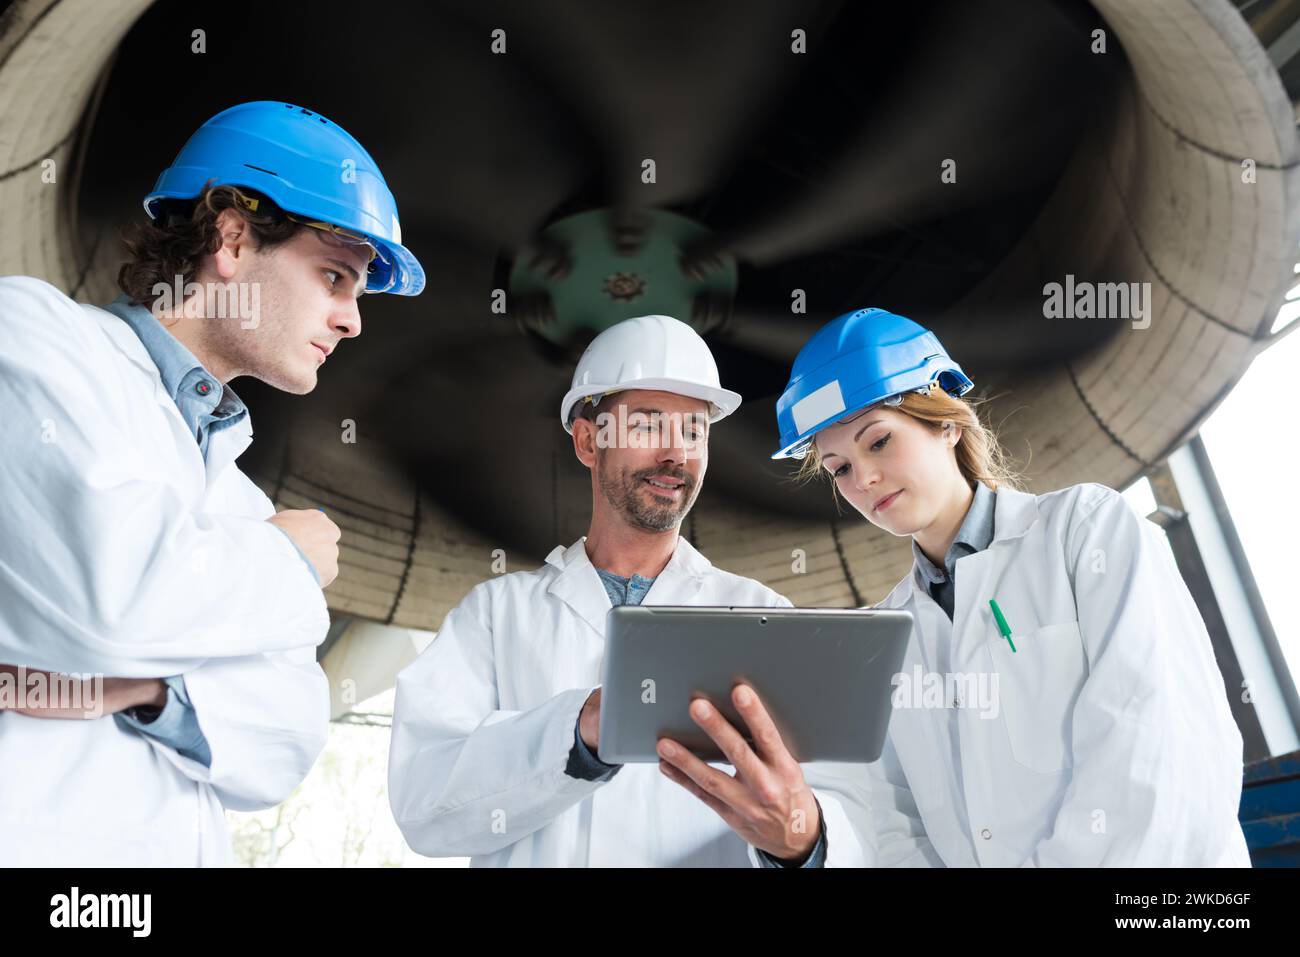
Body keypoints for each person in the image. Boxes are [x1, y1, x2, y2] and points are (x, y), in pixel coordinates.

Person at [0, 100, 425, 865]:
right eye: (335, 276)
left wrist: (146, 691)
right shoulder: (33, 338)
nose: (353, 320)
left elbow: (286, 740)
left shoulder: (245, 508)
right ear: (231, 238)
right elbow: (112, 601)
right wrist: (285, 563)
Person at [762, 305, 1251, 866]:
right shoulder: (881, 640)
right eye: (839, 468)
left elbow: (1155, 745)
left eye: (878, 442)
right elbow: (891, 824)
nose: (864, 479)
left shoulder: (1087, 531)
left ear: (945, 421)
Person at [389, 315, 872, 866]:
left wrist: (803, 843)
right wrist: (580, 732)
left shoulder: (764, 615)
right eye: (647, 426)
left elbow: (851, 811)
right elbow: (423, 807)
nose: (676, 454)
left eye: (694, 432)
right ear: (589, 441)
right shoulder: (496, 617)